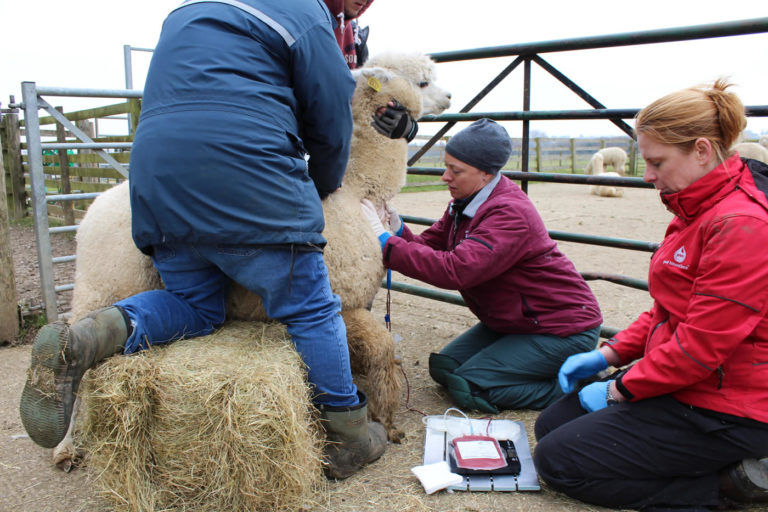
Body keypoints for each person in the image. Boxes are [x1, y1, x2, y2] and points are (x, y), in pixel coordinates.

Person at [19, 0, 386, 480]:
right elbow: (331, 109)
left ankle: (86, 339)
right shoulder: (304, 12)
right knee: (312, 308)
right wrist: (319, 190)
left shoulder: (187, 13)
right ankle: (347, 437)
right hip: (246, 174)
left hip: (158, 183)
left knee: (194, 307)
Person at [534, 79, 768, 510]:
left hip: (731, 404)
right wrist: (610, 356)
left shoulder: (740, 225)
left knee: (560, 462)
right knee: (552, 424)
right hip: (693, 382)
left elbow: (701, 345)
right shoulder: (695, 208)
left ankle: (732, 484)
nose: (648, 176)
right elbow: (668, 312)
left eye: (657, 161)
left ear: (701, 150)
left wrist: (617, 389)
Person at [360, 118, 604, 413]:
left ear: (486, 174)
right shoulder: (466, 203)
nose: (444, 177)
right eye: (447, 165)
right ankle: (538, 367)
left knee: (469, 387)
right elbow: (428, 247)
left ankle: (580, 387)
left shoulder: (509, 213)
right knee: (444, 367)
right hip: (515, 322)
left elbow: (455, 270)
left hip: (560, 328)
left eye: (455, 170)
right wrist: (396, 229)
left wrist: (384, 242)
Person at [322, 0, 419, 143]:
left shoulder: (357, 40)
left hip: (326, 145)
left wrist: (403, 125)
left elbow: (367, 98)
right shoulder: (300, 22)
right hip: (295, 142)